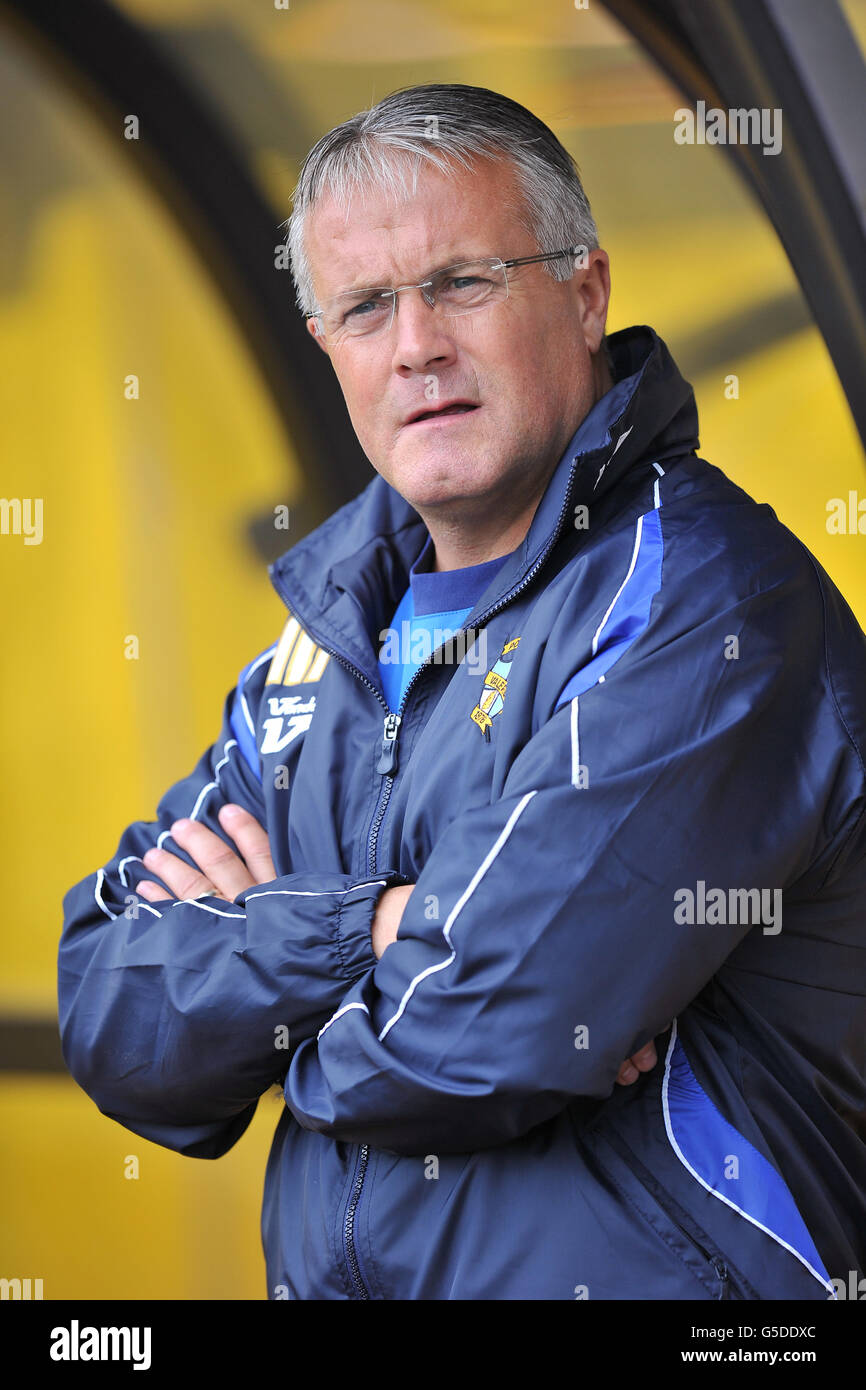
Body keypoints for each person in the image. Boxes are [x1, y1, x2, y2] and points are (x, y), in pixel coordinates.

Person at [59, 83, 866, 1301]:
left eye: (463, 283)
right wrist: (378, 932)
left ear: (584, 293)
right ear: (325, 343)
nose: (414, 344)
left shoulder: (702, 599)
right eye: (365, 306)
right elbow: (111, 1008)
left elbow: (492, 1028)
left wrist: (262, 987)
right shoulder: (317, 645)